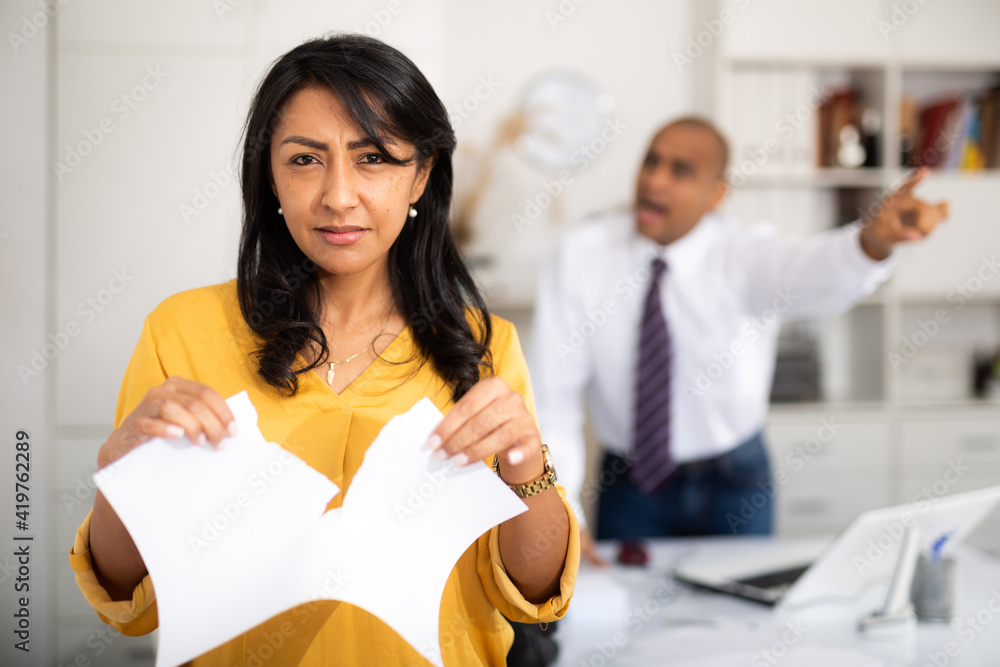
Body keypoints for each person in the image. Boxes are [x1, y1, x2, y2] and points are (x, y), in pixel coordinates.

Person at [67, 34, 578, 666]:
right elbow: (129, 600)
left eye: (373, 159)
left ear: (420, 174)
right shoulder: (180, 332)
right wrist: (122, 475)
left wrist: (526, 461)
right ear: (270, 176)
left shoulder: (484, 346)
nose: (338, 195)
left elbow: (533, 592)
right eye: (306, 160)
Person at [529, 116, 947, 564]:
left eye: (681, 171)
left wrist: (873, 242)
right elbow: (552, 400)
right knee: (620, 619)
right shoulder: (581, 256)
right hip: (630, 487)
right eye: (651, 162)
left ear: (717, 195)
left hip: (735, 483)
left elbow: (811, 269)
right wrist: (559, 510)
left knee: (743, 622)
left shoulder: (744, 254)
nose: (655, 180)